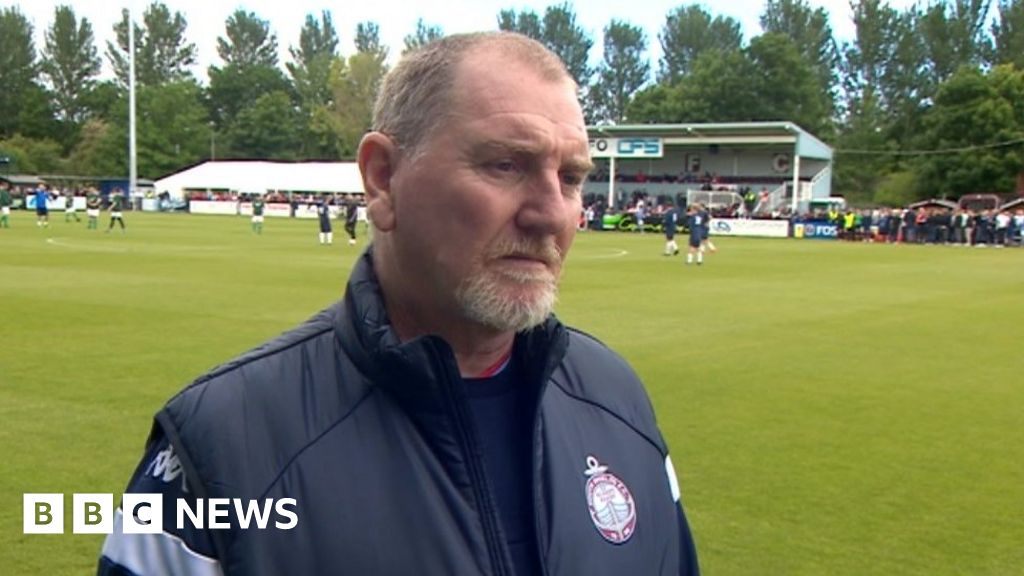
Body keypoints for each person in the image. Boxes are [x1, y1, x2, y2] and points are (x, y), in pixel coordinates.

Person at [97, 32, 699, 576]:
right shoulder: (220, 445)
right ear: (382, 178)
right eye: (505, 164)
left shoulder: (619, 404)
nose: (550, 213)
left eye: (570, 178)